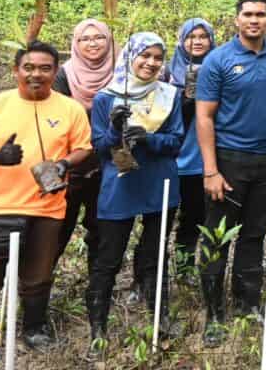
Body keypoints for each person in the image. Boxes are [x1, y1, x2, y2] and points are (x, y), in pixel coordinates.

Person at [0, 41, 92, 367]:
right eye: (28, 68)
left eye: (44, 68)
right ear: (16, 71)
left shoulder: (71, 109)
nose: (36, 74)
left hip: (46, 209)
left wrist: (65, 165)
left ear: (56, 72)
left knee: (38, 276)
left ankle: (35, 329)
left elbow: (83, 148)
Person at [195, 0, 266, 344]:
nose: (254, 20)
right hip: (229, 160)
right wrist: (211, 170)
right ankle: (214, 313)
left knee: (255, 234)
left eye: (261, 15)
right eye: (248, 14)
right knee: (216, 237)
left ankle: (247, 303)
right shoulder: (218, 60)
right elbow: (205, 117)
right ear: (237, 19)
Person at [86, 33, 183, 347]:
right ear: (130, 56)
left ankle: (161, 315)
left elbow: (176, 141)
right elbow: (99, 147)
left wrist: (149, 139)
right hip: (121, 183)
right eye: (145, 56)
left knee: (156, 253)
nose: (151, 63)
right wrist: (115, 129)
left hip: (160, 182)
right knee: (109, 256)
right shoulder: (106, 98)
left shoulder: (170, 94)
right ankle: (98, 327)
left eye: (157, 57)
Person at [51, 20, 115, 277]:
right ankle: (37, 290)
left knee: (102, 229)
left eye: (98, 37)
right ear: (75, 44)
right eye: (85, 39)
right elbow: (58, 118)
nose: (93, 43)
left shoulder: (120, 71)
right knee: (57, 229)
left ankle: (97, 288)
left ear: (109, 40)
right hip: (71, 164)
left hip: (109, 163)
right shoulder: (63, 75)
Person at [165, 18, 216, 282]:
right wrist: (184, 99)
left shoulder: (220, 69)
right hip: (171, 159)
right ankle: (154, 274)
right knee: (161, 221)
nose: (196, 41)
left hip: (202, 159)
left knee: (194, 217)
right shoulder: (166, 72)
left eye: (202, 36)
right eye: (191, 36)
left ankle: (185, 270)